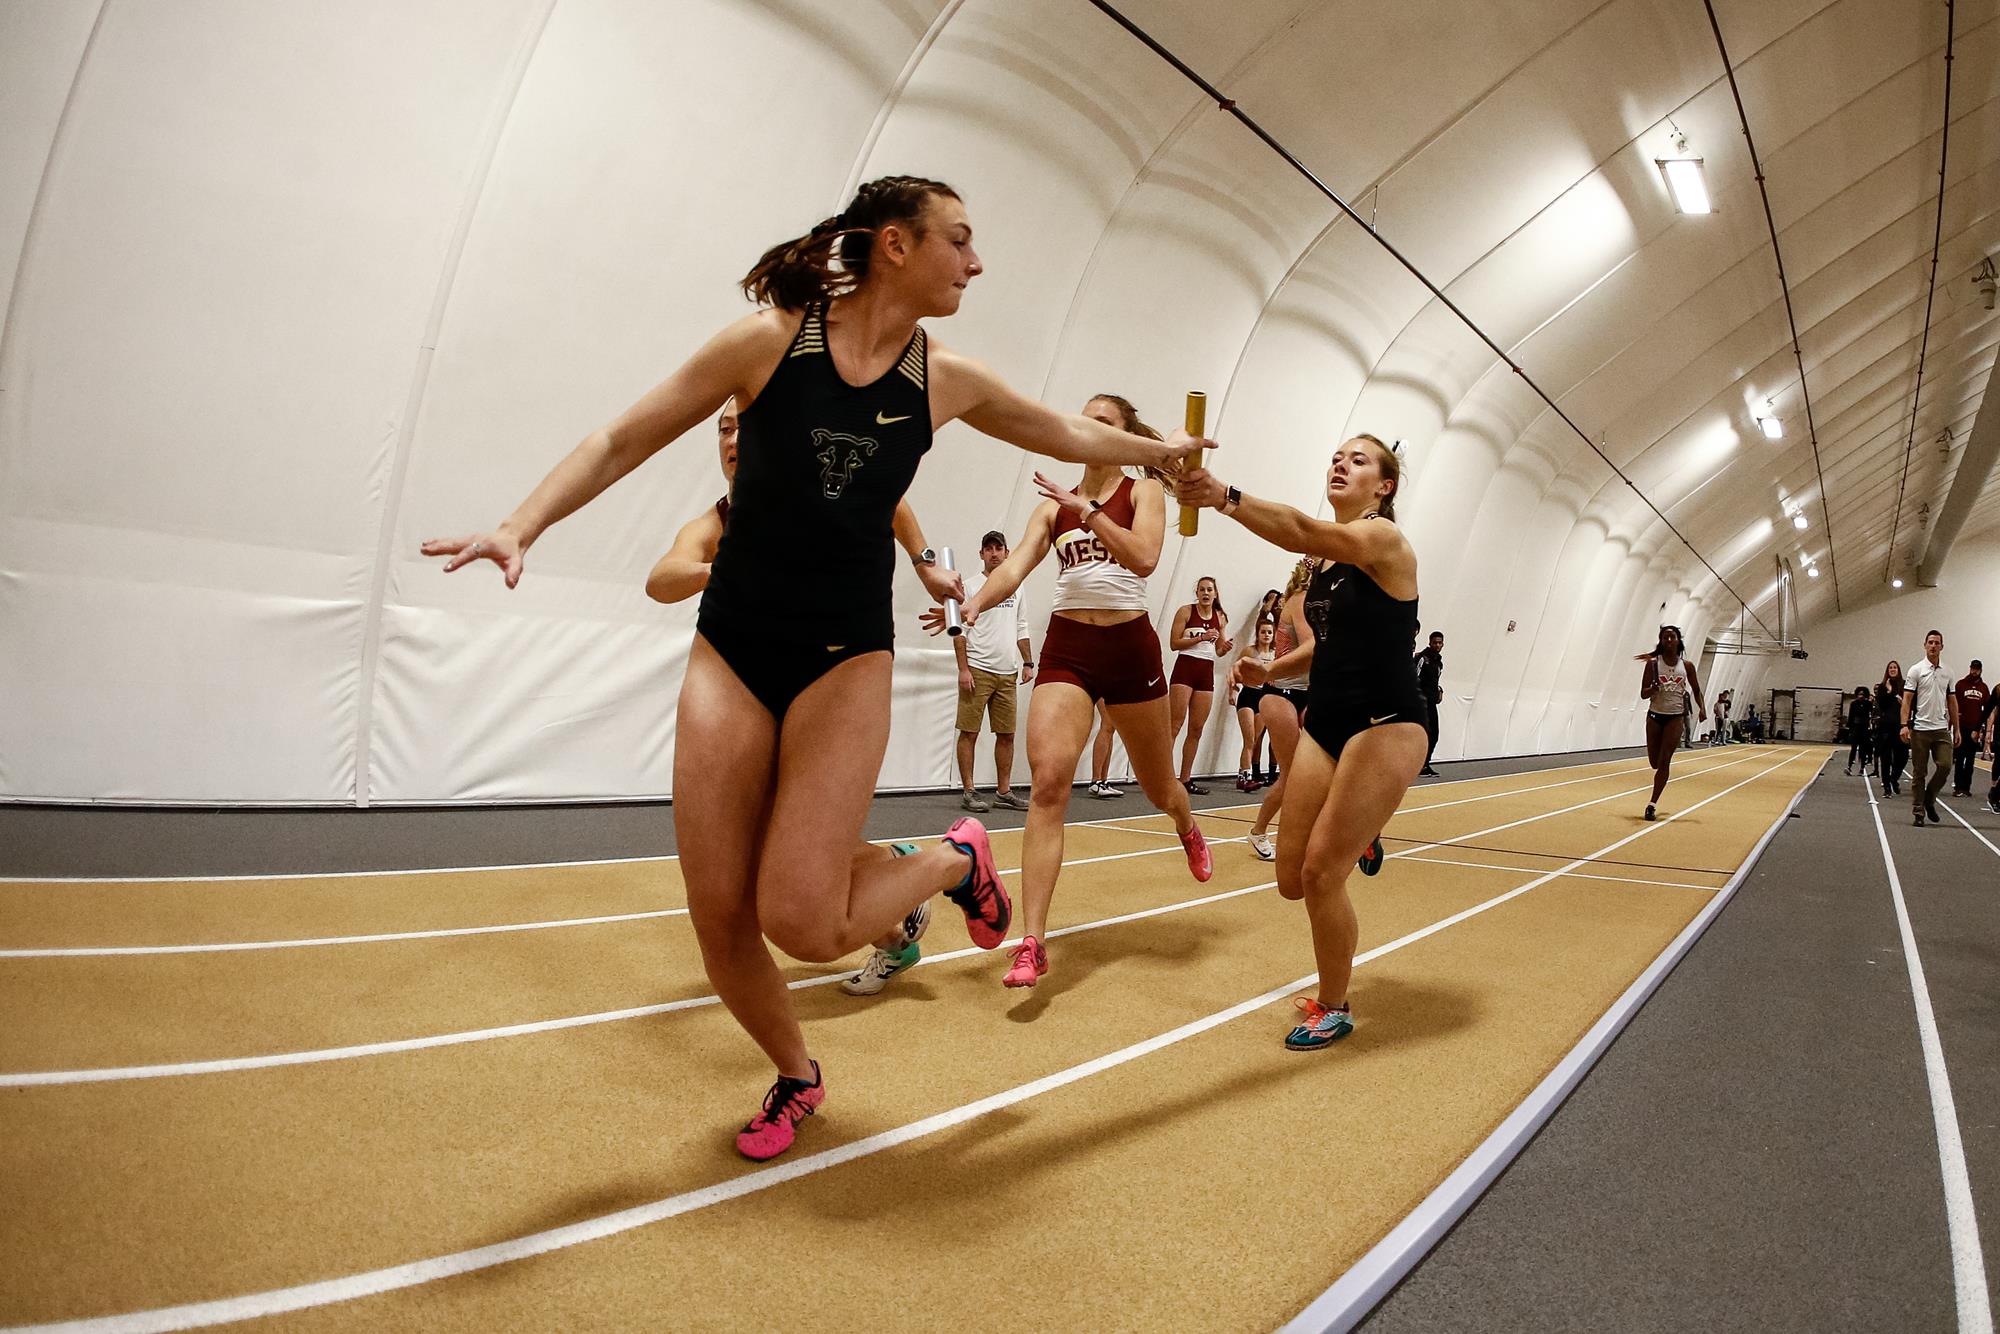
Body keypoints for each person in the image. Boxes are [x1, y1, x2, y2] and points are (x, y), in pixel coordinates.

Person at [422, 175, 1202, 1161]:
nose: (975, 261)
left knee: (806, 918)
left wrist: (1159, 450)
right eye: (957, 240)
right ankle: (797, 1072)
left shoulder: (943, 379)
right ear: (894, 246)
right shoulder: (768, 341)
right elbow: (621, 435)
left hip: (844, 658)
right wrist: (516, 524)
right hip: (732, 647)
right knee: (719, 915)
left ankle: (957, 857)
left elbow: (1066, 431)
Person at [642, 406, 943, 1000]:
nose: (733, 438)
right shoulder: (717, 521)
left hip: (829, 684)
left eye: (744, 425)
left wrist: (925, 563)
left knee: (784, 868)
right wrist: (727, 566)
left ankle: (904, 890)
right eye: (723, 429)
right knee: (767, 855)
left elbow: (891, 500)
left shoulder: (814, 484)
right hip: (752, 694)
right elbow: (662, 578)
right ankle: (894, 883)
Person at [933, 394, 1213, 991]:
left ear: (1125, 436)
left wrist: (1089, 511)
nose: (1090, 429)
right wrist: (973, 606)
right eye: (1084, 421)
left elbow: (1142, 558)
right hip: (1069, 650)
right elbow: (1013, 570)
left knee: (1160, 785)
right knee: (1051, 781)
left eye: (1104, 422)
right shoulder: (1049, 509)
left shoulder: (1142, 494)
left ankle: (1187, 824)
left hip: (1129, 646)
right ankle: (1032, 941)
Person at [1176, 435, 1423, 1050]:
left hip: (1387, 722)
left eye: (1359, 460)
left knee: (1320, 874)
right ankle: (1359, 823)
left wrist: (1225, 497)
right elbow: (1329, 643)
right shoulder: (1327, 567)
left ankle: (1334, 1004)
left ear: (1384, 487)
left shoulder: (1381, 541)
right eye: (1337, 456)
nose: (1341, 464)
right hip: (1329, 717)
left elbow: (1295, 527)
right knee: (1289, 877)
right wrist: (1272, 670)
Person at [1237, 559, 1317, 859]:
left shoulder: (1321, 603)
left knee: (1322, 765)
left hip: (1308, 693)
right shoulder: (1300, 600)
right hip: (1279, 693)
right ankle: (1259, 830)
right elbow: (1311, 646)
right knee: (1292, 773)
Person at [953, 529, 1033, 814]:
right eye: (989, 549)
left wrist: (1027, 662)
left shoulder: (1016, 586)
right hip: (978, 668)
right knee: (969, 732)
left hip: (1007, 672)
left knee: (1007, 734)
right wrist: (964, 669)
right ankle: (969, 791)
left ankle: (1004, 791)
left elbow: (1022, 626)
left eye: (999, 548)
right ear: (981, 554)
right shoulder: (972, 586)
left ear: (1007, 553)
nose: (994, 553)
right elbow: (959, 632)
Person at [1167, 576, 1233, 794]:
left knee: (1196, 728)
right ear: (1197, 593)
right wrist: (1200, 638)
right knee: (1175, 725)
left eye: (1209, 590)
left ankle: (1185, 778)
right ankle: (1163, 777)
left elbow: (1218, 650)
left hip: (1205, 672)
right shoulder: (1186, 612)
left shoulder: (1220, 616)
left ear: (1215, 594)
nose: (1206, 593)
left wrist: (1225, 648)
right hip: (1185, 669)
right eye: (1202, 590)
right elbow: (1174, 643)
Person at [1635, 626, 1706, 821]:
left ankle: (1652, 804)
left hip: (1676, 716)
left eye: (1672, 637)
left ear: (1678, 641)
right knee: (1655, 762)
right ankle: (1656, 786)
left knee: (1665, 760)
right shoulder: (1652, 665)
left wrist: (1702, 709)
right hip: (1655, 715)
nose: (1668, 640)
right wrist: (1653, 688)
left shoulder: (1687, 666)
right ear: (1660, 641)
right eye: (1665, 637)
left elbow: (1697, 689)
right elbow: (1643, 693)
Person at [1902, 631, 1959, 827]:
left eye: (1937, 643)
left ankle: (1929, 797)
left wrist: (1957, 729)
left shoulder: (1948, 672)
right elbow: (1907, 700)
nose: (1933, 646)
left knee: (1945, 765)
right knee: (1919, 772)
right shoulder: (1916, 670)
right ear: (1925, 645)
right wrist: (1904, 725)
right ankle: (1919, 811)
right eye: (1930, 642)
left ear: (1942, 647)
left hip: (1941, 728)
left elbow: (1952, 702)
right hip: (1920, 728)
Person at [1232, 617, 1278, 790]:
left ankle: (1245, 773)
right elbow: (1235, 670)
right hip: (1248, 695)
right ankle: (1245, 775)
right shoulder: (1249, 652)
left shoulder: (1275, 654)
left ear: (1273, 635)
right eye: (1263, 632)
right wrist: (1233, 690)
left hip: (1264, 696)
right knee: (1249, 738)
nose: (1266, 635)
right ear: (1257, 634)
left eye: (1269, 632)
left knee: (1255, 739)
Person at [1951, 660, 1987, 798]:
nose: (1974, 671)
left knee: (1970, 759)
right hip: (1962, 726)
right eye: (1973, 668)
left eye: (1977, 669)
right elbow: (1954, 704)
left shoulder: (1983, 688)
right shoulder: (1961, 685)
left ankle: (1966, 787)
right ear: (1970, 668)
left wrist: (1982, 729)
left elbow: (1987, 709)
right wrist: (1954, 727)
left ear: (1980, 670)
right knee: (1960, 757)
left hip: (1975, 729)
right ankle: (1958, 786)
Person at [1414, 630, 1445, 775]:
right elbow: (1415, 678)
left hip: (1431, 703)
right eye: (1435, 642)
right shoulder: (1423, 658)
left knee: (1434, 734)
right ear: (1430, 643)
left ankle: (1425, 764)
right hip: (1422, 703)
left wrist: (1438, 690)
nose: (1437, 645)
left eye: (1440, 643)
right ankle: (1418, 765)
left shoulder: (1438, 662)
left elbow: (1434, 682)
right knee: (1423, 734)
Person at [1875, 662, 1907, 797]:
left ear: (1898, 670)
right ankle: (1887, 786)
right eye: (1890, 668)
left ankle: (1894, 778)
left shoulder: (1904, 685)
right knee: (1886, 758)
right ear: (1887, 671)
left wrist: (1893, 692)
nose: (1893, 669)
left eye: (1895, 667)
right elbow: (1882, 704)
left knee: (1903, 757)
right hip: (1886, 727)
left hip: (1900, 726)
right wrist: (1888, 691)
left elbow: (1905, 702)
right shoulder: (1882, 687)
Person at [1086, 701, 1123, 798]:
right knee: (1108, 723)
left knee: (1110, 727)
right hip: (1103, 686)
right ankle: (1095, 781)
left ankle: (1103, 781)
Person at [1844, 684, 1874, 777]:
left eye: (1862, 694)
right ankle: (1849, 766)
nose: (1860, 696)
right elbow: (1851, 716)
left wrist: (1870, 727)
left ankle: (1862, 768)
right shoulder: (1853, 703)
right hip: (1856, 727)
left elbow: (1870, 715)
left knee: (1863, 749)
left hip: (1864, 727)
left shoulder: (1868, 704)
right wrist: (1849, 728)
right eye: (1859, 694)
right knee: (1853, 748)